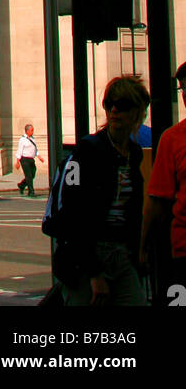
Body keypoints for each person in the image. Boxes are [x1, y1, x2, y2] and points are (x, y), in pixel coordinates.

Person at [47, 74, 150, 307]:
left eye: (122, 105)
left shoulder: (134, 153)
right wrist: (94, 273)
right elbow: (73, 215)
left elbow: (133, 212)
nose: (114, 110)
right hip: (87, 255)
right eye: (109, 104)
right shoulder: (87, 151)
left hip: (121, 254)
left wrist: (139, 252)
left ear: (138, 112)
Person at [140, 60, 186, 292]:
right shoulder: (172, 139)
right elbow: (157, 199)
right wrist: (143, 247)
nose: (185, 94)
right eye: (183, 88)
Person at [15, 123, 44, 196]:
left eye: (32, 130)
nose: (32, 132)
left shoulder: (33, 139)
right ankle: (31, 191)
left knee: (32, 174)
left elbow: (35, 149)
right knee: (28, 176)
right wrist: (17, 162)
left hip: (31, 159)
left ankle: (21, 185)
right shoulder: (22, 140)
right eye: (31, 130)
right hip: (24, 159)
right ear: (27, 131)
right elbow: (19, 151)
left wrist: (39, 156)